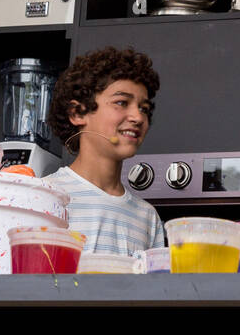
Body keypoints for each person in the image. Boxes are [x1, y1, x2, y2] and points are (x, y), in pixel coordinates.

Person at [43, 47, 166, 254]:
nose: (138, 117)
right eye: (121, 103)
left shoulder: (148, 217)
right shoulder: (46, 195)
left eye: (144, 108)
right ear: (78, 113)